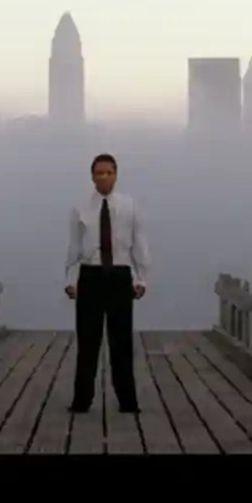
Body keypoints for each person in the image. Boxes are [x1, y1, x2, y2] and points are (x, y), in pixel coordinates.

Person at [63, 152, 149, 414]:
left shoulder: (129, 206)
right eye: (99, 173)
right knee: (88, 343)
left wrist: (141, 278)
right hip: (90, 275)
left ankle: (128, 401)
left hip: (120, 275)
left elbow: (139, 244)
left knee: (121, 342)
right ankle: (81, 400)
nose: (104, 177)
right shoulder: (80, 208)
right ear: (92, 176)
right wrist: (70, 279)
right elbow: (74, 247)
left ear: (116, 175)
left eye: (109, 172)